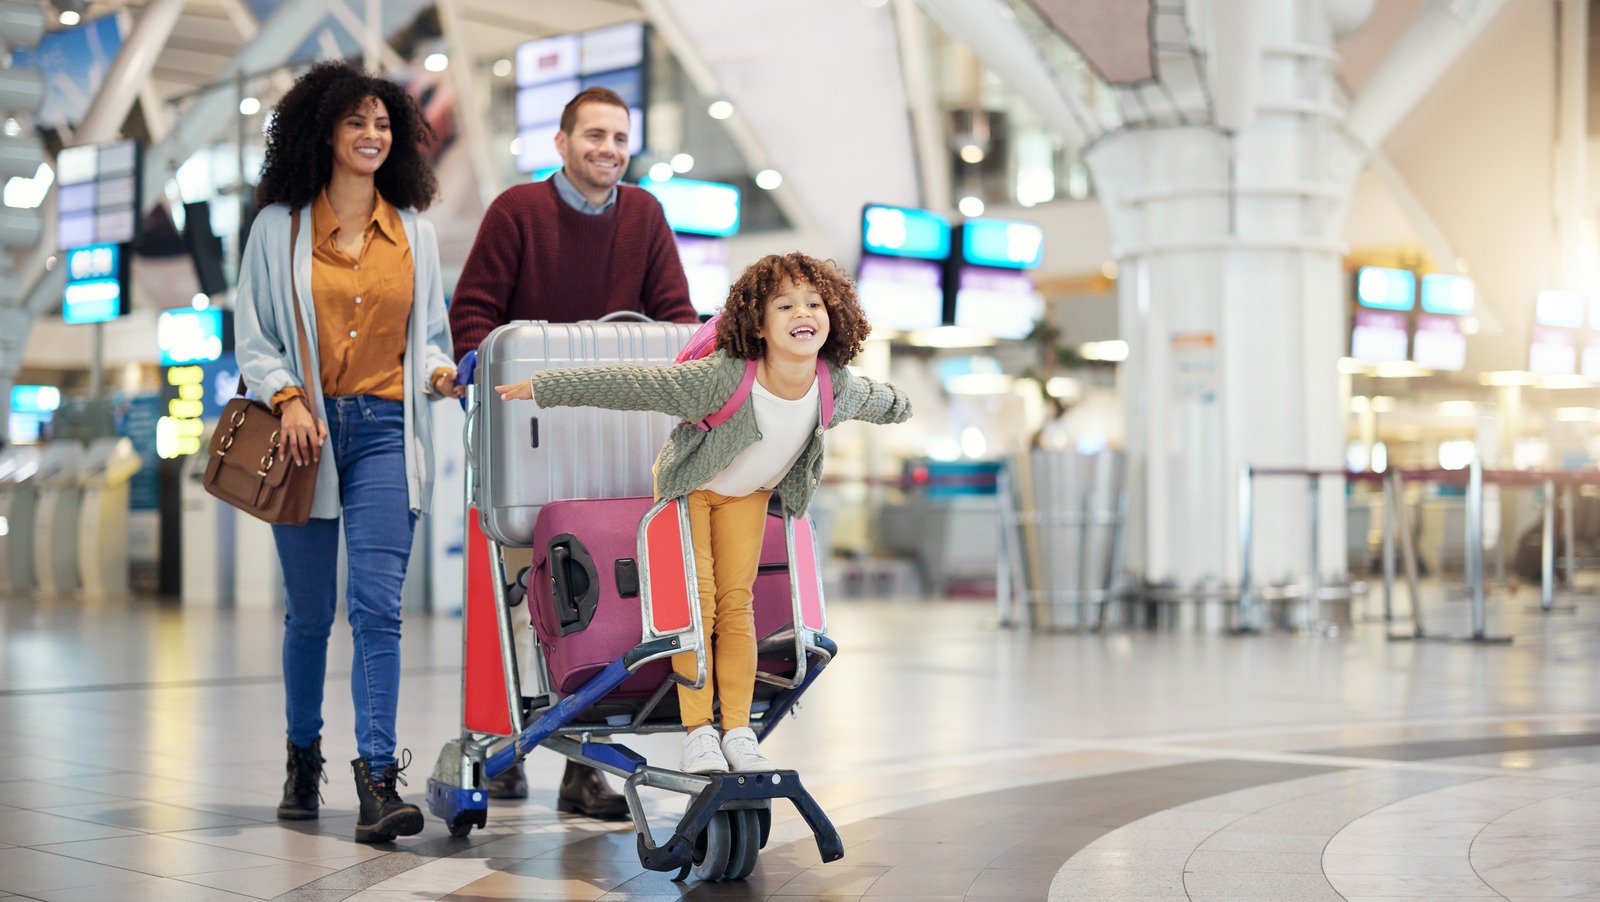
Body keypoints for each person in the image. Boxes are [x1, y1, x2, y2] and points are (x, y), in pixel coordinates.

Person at [495, 252, 912, 773]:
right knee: (697, 605)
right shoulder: (723, 377)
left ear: (834, 316)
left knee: (738, 607)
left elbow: (880, 399)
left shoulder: (834, 385)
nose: (803, 312)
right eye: (784, 305)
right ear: (757, 324)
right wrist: (545, 387)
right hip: (692, 489)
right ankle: (699, 734)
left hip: (748, 495)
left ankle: (736, 729)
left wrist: (904, 406)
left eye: (813, 303)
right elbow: (633, 385)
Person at [449, 85, 696, 816]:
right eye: (594, 136)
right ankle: (497, 737)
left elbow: (676, 317)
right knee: (519, 603)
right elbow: (472, 316)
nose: (609, 151)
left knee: (594, 602)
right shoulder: (517, 213)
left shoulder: (645, 215)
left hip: (612, 440)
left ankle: (578, 764)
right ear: (561, 143)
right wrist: (471, 361)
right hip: (526, 441)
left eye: (620, 138)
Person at [235, 61, 460, 844]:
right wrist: (287, 398)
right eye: (357, 121)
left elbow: (431, 334)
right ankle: (304, 756)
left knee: (378, 610)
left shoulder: (417, 234)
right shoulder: (278, 228)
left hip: (388, 435)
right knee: (309, 616)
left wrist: (439, 370)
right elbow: (255, 337)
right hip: (304, 435)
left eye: (383, 123)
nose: (372, 135)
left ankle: (376, 782)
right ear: (323, 131)